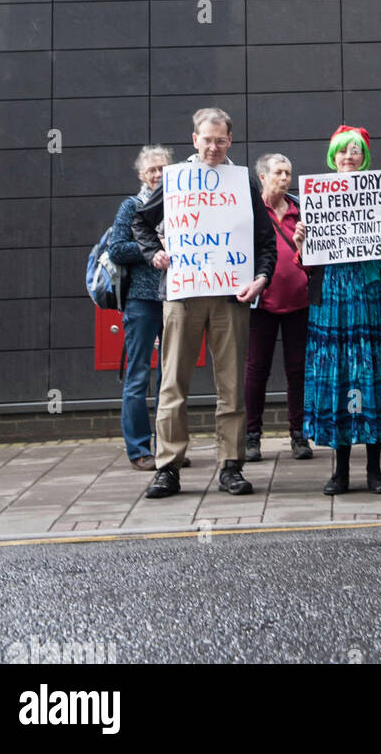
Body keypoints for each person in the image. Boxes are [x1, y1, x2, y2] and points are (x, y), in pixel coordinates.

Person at [133, 108, 277, 498]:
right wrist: (153, 254)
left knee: (231, 385)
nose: (213, 146)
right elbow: (141, 221)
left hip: (231, 296)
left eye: (220, 139)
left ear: (230, 140)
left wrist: (262, 278)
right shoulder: (177, 178)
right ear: (194, 139)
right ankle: (168, 467)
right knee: (172, 384)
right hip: (182, 294)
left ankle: (231, 465)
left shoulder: (243, 181)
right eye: (206, 139)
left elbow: (265, 241)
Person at [303, 126, 381, 496]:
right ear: (333, 157)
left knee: (370, 378)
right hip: (334, 302)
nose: (349, 157)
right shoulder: (316, 196)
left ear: (365, 157)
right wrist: (301, 242)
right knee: (340, 380)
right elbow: (304, 265)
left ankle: (374, 469)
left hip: (373, 299)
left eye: (355, 151)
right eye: (342, 151)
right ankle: (340, 470)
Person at [244, 153, 318, 464]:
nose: (285, 178)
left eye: (288, 172)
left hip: (299, 302)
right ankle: (251, 436)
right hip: (260, 304)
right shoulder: (248, 212)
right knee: (256, 370)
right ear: (262, 177)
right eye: (278, 173)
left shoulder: (302, 210)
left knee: (298, 371)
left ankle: (298, 435)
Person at [109, 144, 172, 470]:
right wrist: (151, 248)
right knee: (138, 376)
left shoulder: (180, 204)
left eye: (163, 168)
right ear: (141, 174)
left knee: (169, 378)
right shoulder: (131, 206)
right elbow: (116, 249)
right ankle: (138, 450)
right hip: (142, 301)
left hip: (174, 298)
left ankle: (167, 448)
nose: (158, 174)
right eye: (152, 170)